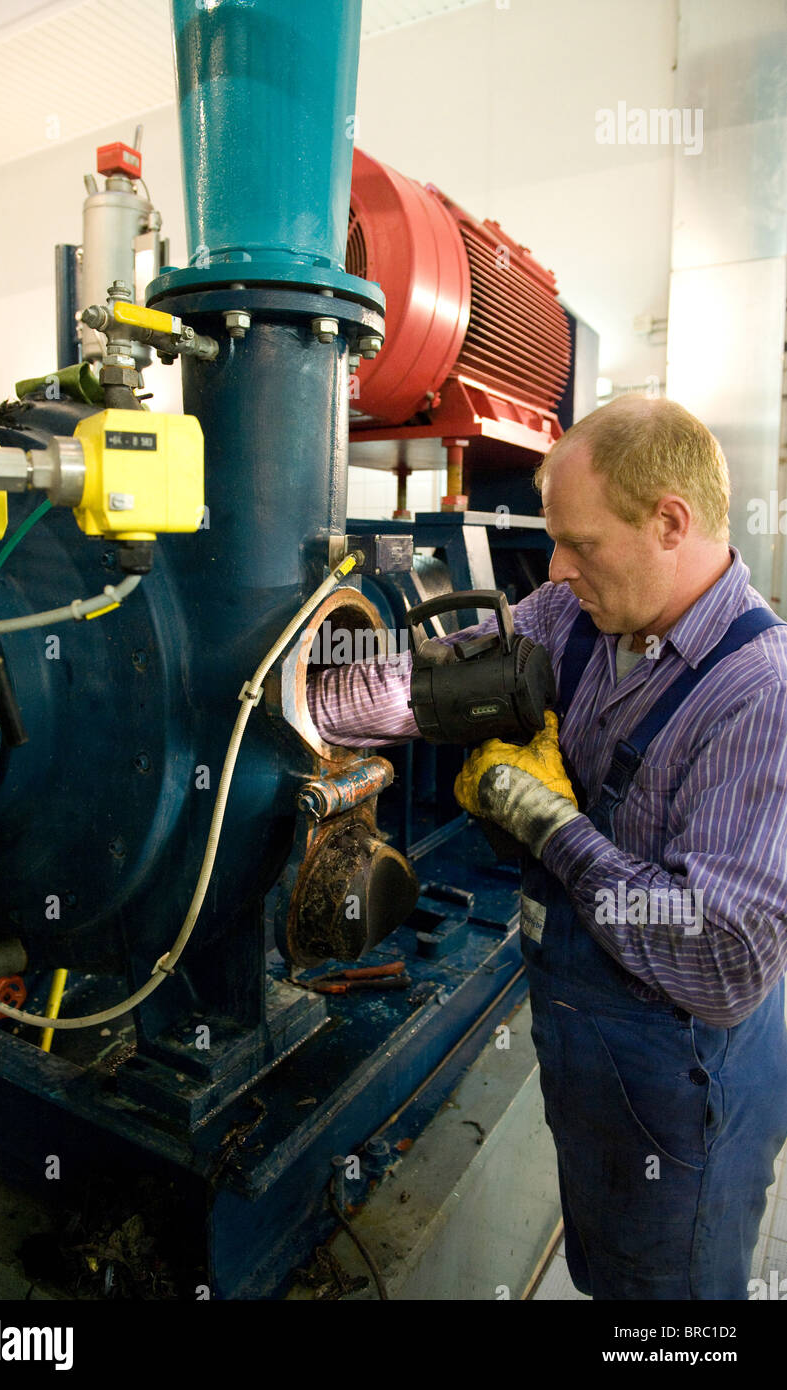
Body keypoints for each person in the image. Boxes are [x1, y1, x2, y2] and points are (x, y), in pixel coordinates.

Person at [306, 394, 787, 1300]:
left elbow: (723, 960)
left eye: (580, 543)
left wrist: (546, 824)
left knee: (670, 1298)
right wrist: (299, 703)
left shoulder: (760, 697)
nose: (555, 569)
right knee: (606, 1267)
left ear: (669, 523)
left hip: (684, 1081)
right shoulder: (574, 620)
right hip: (585, 1046)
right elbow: (431, 683)